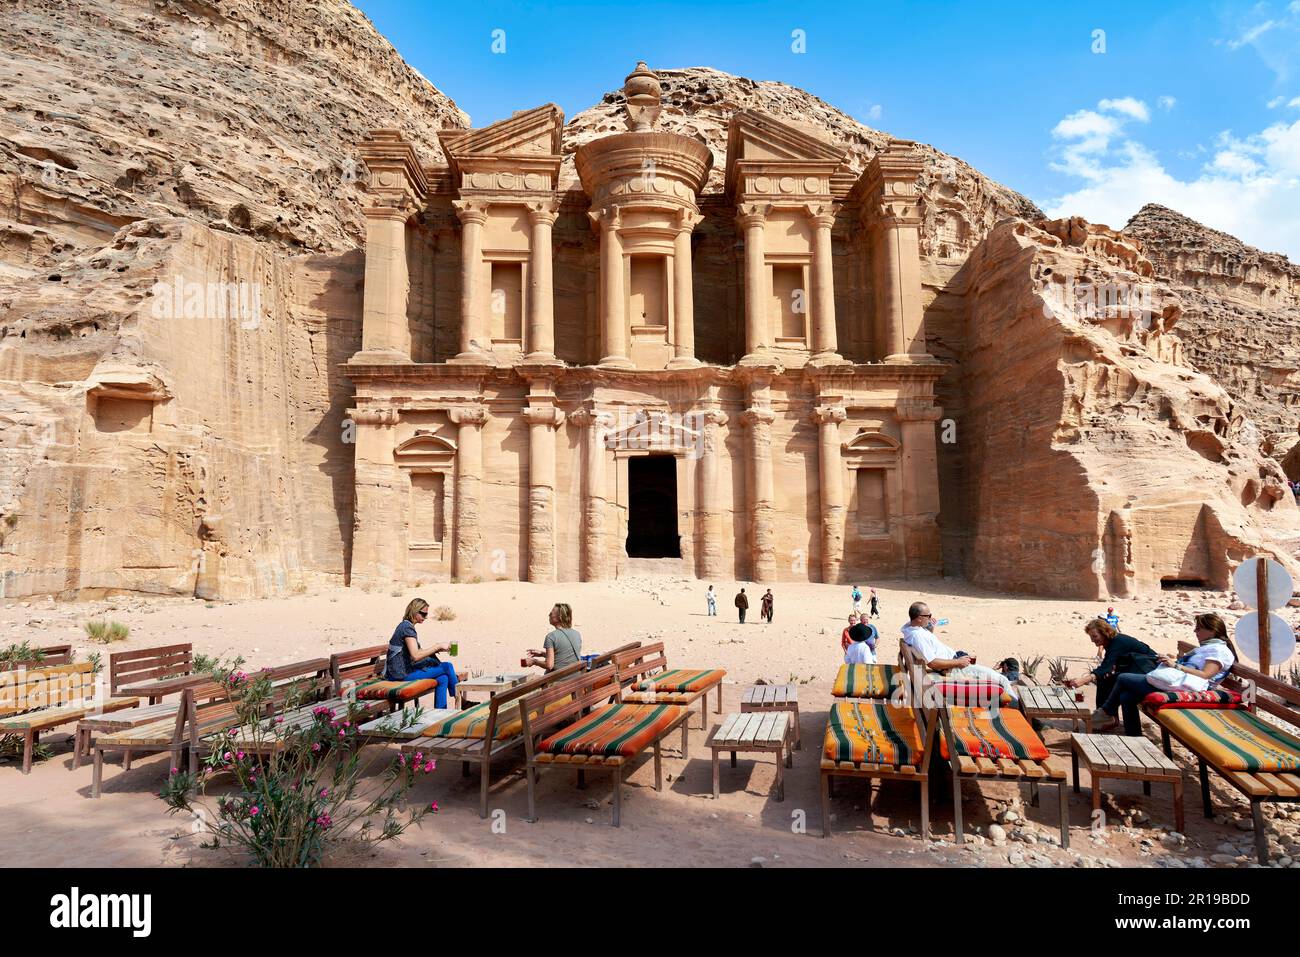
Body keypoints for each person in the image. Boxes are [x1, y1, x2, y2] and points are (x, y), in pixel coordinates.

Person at [1094, 613, 1237, 735]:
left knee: (1123, 678)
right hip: (1180, 683)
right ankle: (1134, 737)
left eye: (1199, 629)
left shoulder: (1219, 651)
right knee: (1127, 696)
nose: (1195, 631)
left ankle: (1106, 711)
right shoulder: (1209, 648)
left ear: (1212, 631)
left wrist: (1176, 665)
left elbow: (1205, 674)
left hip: (1190, 690)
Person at [900, 601, 1017, 700]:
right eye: (928, 616)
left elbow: (928, 646)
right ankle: (1018, 710)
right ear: (919, 618)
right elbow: (932, 662)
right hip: (954, 669)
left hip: (954, 661)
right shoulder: (917, 636)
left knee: (995, 675)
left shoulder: (912, 628)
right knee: (1003, 680)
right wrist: (959, 662)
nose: (931, 618)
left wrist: (930, 628)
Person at [1063, 618, 1159, 731]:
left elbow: (1106, 666)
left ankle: (1106, 714)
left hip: (1149, 675)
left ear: (1104, 633)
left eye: (1094, 636)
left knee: (1120, 682)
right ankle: (1109, 717)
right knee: (1114, 686)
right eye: (1091, 637)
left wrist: (1084, 680)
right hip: (1138, 672)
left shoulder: (1118, 642)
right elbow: (1108, 666)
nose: (1092, 640)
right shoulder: (1111, 643)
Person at [385, 598, 458, 709]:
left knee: (443, 678)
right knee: (447, 667)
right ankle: (460, 699)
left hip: (401, 672)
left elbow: (415, 654)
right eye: (423, 614)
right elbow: (416, 655)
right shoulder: (407, 628)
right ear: (414, 611)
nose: (425, 617)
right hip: (400, 675)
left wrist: (436, 650)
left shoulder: (406, 626)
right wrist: (438, 645)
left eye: (426, 614)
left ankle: (439, 714)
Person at [525, 603, 582, 672]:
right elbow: (564, 656)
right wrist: (542, 654)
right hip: (575, 677)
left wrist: (534, 661)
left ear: (559, 617)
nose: (549, 615)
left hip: (558, 680)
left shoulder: (551, 637)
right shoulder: (576, 634)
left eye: (551, 613)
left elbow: (549, 665)